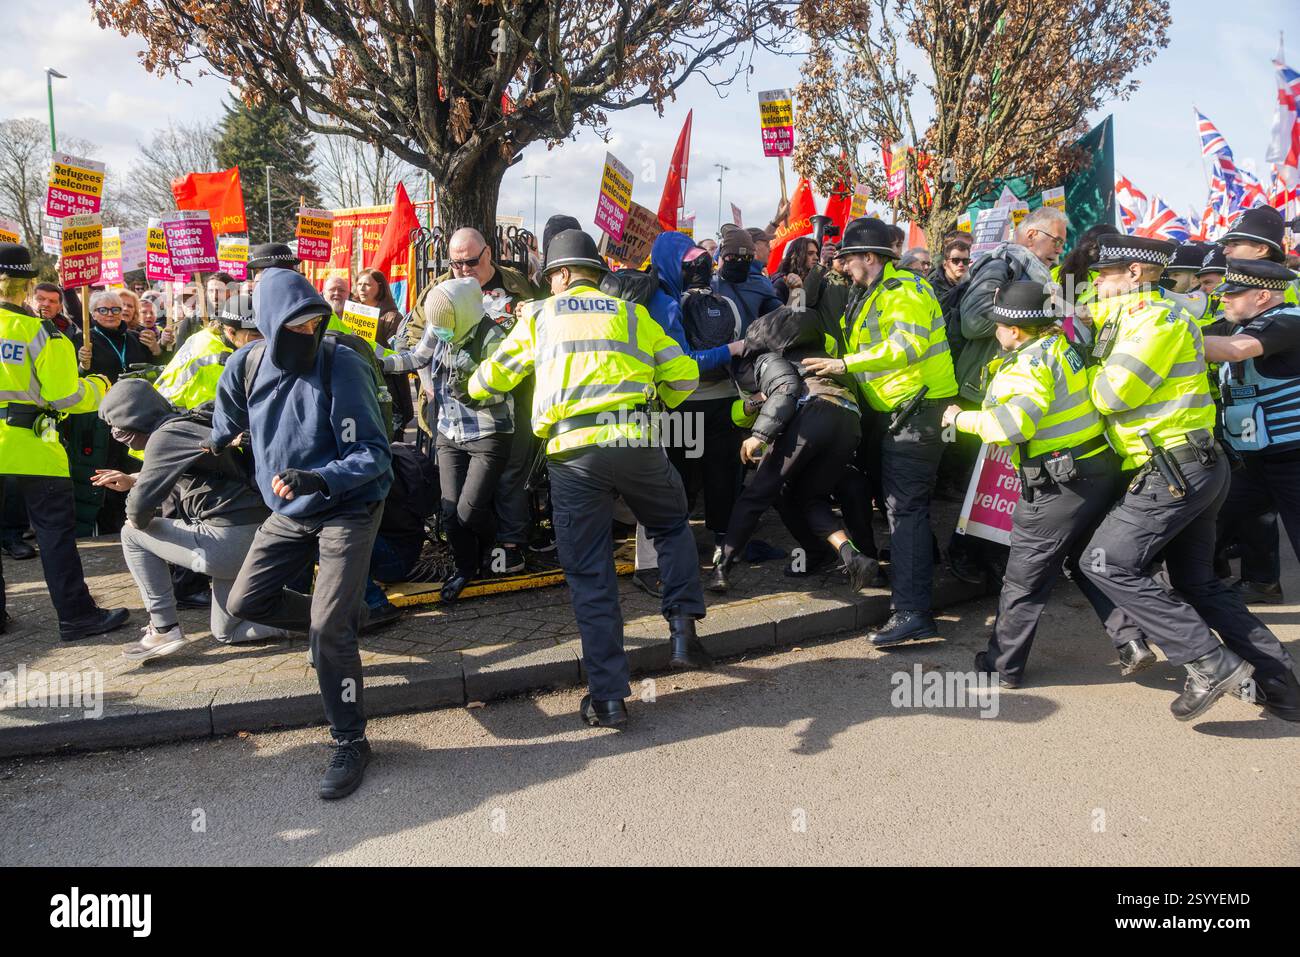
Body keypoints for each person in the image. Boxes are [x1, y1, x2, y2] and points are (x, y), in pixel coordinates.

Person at [467, 228, 710, 729]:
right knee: (670, 526)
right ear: (596, 274)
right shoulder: (632, 314)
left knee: (591, 573)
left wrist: (471, 380)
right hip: (639, 442)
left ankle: (609, 700)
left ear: (557, 275)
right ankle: (683, 627)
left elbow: (490, 380)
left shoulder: (537, 315)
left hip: (574, 454)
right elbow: (684, 376)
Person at [212, 267, 394, 800]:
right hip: (289, 508)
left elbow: (373, 454)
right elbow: (222, 426)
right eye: (296, 326)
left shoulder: (343, 363)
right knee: (245, 601)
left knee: (328, 630)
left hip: (349, 505)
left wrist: (321, 475)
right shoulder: (244, 364)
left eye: (316, 323)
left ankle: (350, 739)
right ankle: (339, 619)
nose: (308, 334)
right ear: (269, 324)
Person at [1081, 234, 1279, 722]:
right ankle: (1283, 686)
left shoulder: (1156, 320)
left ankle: (1209, 662)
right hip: (1183, 465)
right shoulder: (1136, 317)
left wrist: (1082, 371)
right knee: (1198, 583)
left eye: (1104, 274)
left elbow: (1111, 396)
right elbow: (1091, 318)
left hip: (1174, 467)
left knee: (1105, 563)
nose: (1095, 283)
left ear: (1133, 274)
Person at [941, 282, 1148, 687]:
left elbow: (1012, 426)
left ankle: (1004, 666)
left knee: (1024, 579)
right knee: (1086, 561)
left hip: (1059, 483)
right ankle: (1131, 640)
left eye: (999, 324)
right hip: (1096, 468)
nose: (995, 330)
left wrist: (958, 419)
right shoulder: (1062, 345)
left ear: (1015, 330)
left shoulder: (1024, 364)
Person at [802, 217, 958, 647]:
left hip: (916, 413)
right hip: (895, 413)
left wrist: (844, 366)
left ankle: (912, 613)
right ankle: (919, 576)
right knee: (903, 508)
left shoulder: (902, 291)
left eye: (851, 259)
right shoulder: (874, 291)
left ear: (870, 258)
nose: (846, 266)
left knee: (903, 511)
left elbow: (906, 347)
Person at [93, 379, 291, 659]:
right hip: (256, 535)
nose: (119, 436)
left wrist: (136, 495)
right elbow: (191, 473)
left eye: (120, 431)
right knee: (227, 631)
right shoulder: (189, 420)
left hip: (227, 544)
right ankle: (318, 618)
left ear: (133, 421)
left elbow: (137, 514)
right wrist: (135, 479)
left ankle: (163, 628)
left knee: (131, 535)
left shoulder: (165, 437)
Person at [0, 242, 127, 640]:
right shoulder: (40, 333)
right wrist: (98, 386)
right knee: (55, 536)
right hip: (36, 448)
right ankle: (77, 616)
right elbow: (65, 398)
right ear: (29, 283)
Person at [711, 305, 878, 593]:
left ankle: (721, 568)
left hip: (812, 415)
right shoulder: (820, 353)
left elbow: (787, 388)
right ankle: (854, 558)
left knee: (756, 493)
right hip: (848, 420)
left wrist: (759, 436)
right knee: (809, 498)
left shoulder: (769, 358)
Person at [409, 226, 544, 570]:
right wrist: (425, 378)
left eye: (470, 261)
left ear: (488, 253)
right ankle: (475, 548)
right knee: (465, 492)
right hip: (457, 412)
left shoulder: (517, 284)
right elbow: (415, 336)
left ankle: (511, 545)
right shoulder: (440, 290)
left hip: (511, 400)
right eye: (456, 263)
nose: (464, 269)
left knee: (511, 473)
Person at [946, 206, 1069, 584]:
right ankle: (964, 554)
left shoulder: (1032, 270)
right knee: (979, 482)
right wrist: (1029, 317)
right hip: (980, 389)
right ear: (1032, 235)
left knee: (1003, 480)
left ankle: (993, 557)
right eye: (1056, 241)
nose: (1059, 252)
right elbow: (973, 320)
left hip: (1006, 387)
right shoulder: (1001, 264)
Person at [1203, 258, 1300, 719]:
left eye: (1232, 293)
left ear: (1263, 294)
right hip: (1253, 459)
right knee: (1213, 524)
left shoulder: (1286, 320)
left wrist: (1158, 344)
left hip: (1293, 457)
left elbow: (1237, 351)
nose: (1222, 299)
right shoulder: (1239, 318)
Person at [384, 276, 512, 602]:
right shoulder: (440, 325)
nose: (439, 332)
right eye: (435, 326)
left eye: (445, 326)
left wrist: (473, 394)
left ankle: (492, 546)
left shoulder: (492, 336)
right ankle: (465, 568)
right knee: (450, 512)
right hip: (449, 432)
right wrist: (377, 359)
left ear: (465, 313)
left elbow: (507, 387)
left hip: (487, 433)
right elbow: (415, 358)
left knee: (470, 511)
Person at [154, 295, 259, 410]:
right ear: (231, 332)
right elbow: (210, 412)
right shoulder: (216, 362)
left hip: (169, 405)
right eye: (255, 336)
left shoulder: (209, 335)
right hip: (172, 412)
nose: (262, 340)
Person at [353, 267, 412, 438]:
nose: (362, 289)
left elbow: (399, 355)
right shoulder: (352, 313)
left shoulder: (392, 317)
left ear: (380, 287)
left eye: (367, 285)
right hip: (361, 386)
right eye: (359, 284)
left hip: (388, 390)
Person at [712, 225, 783, 330]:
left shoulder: (710, 280)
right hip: (745, 345)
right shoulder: (761, 283)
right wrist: (797, 291)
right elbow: (788, 321)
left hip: (714, 346)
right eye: (767, 244)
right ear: (752, 247)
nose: (771, 249)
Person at [773, 236, 820, 305]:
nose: (816, 257)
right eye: (810, 253)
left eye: (816, 253)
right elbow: (794, 313)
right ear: (797, 256)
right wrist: (795, 291)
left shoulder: (814, 281)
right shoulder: (781, 283)